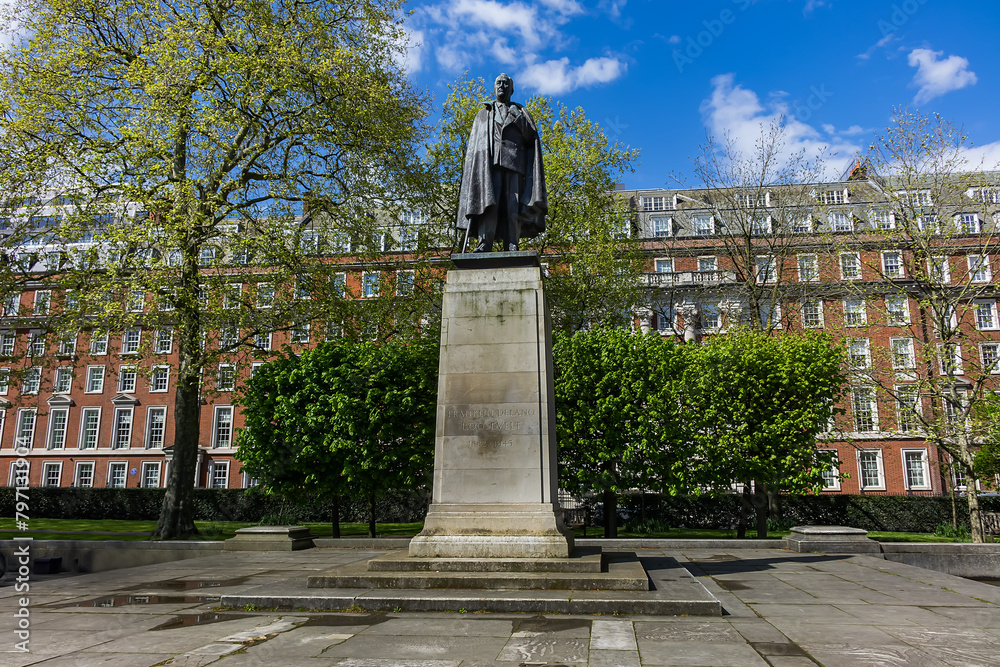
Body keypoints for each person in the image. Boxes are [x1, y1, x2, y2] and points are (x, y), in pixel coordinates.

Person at [457, 73, 547, 253]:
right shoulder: (483, 114)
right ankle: (484, 243)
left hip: (515, 164)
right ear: (494, 87)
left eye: (506, 84)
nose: (501, 86)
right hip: (488, 166)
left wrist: (519, 119)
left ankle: (512, 242)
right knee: (489, 204)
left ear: (511, 89)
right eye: (498, 83)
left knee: (512, 206)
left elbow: (531, 139)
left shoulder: (521, 112)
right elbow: (474, 148)